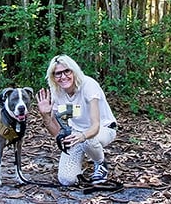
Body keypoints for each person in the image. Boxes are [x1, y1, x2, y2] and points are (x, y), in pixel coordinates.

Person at [36, 54, 117, 186]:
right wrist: (45, 115)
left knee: (89, 140)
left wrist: (82, 136)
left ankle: (100, 163)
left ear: (74, 71)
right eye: (58, 74)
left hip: (103, 129)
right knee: (66, 180)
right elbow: (57, 133)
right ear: (53, 77)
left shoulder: (88, 85)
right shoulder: (57, 92)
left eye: (66, 71)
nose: (63, 77)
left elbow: (95, 125)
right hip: (77, 133)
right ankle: (84, 158)